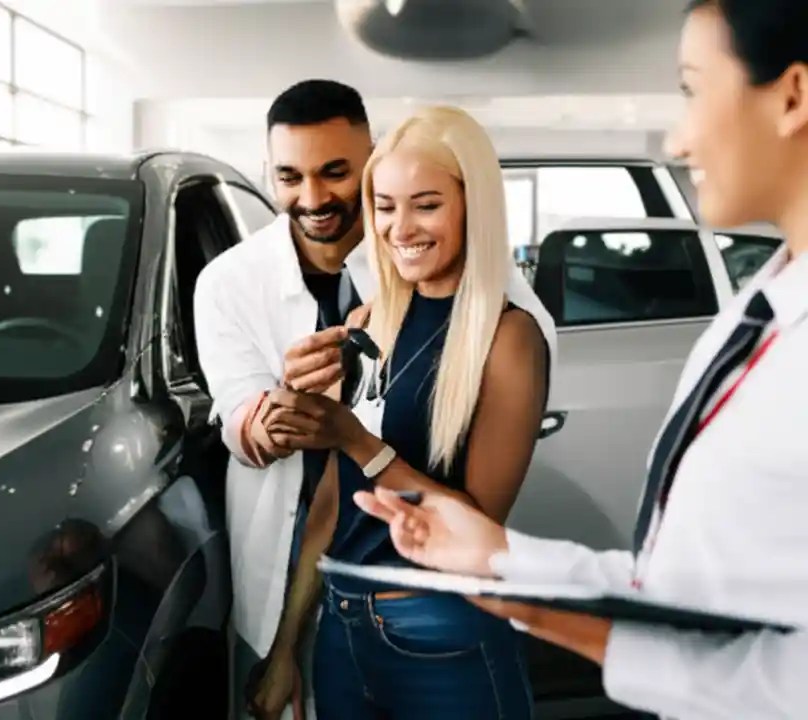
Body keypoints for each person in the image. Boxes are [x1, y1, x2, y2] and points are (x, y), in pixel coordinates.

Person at [353, 1, 808, 718]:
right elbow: (682, 591)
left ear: (792, 96)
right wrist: (500, 563)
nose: (679, 138)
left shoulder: (508, 334)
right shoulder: (759, 307)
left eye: (693, 90)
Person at [192, 80, 555, 718]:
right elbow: (331, 506)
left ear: (473, 205)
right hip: (343, 622)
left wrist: (352, 438)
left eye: (426, 205)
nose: (397, 229)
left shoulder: (509, 333)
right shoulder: (372, 317)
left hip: (443, 626)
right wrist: (283, 652)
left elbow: (478, 527)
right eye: (385, 206)